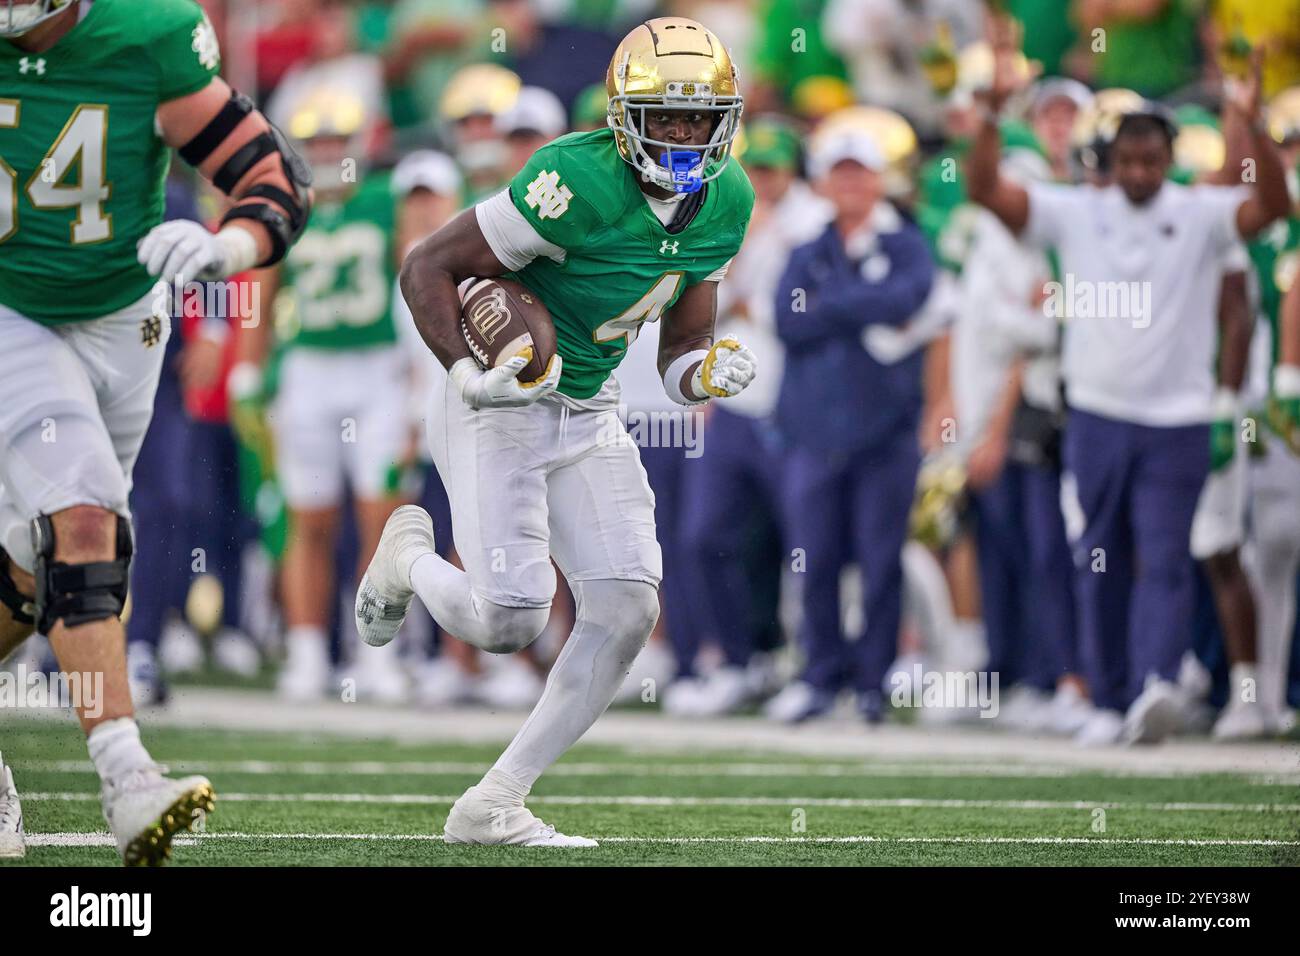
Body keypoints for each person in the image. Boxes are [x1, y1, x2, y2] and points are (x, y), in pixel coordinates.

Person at [357, 17, 756, 846]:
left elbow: (681, 349)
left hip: (590, 407)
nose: (685, 134)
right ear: (623, 115)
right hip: (500, 401)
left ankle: (495, 801)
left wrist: (707, 372)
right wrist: (467, 374)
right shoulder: (574, 179)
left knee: (625, 607)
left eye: (699, 116)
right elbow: (427, 265)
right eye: (668, 116)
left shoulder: (730, 200)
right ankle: (407, 558)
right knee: (509, 622)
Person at [0, 0, 312, 863]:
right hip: (8, 308)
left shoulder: (146, 32)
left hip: (123, 319)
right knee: (86, 518)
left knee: (37, 567)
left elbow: (272, 174)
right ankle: (127, 778)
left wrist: (233, 246)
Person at [965, 23, 1290, 744]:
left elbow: (1272, 208)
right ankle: (1106, 696)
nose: (1142, 170)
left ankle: (1153, 686)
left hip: (1176, 416)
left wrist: (1255, 123)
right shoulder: (1077, 211)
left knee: (1167, 558)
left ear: (1170, 159)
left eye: (1153, 157)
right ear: (1109, 161)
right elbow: (987, 190)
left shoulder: (1200, 215)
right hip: (1097, 414)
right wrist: (988, 113)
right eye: (1130, 158)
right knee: (1099, 558)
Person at [767, 115, 936, 724]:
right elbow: (787, 320)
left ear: (878, 181)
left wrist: (829, 304)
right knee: (813, 560)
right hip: (812, 432)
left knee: (879, 559)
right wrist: (857, 308)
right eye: (840, 175)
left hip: (885, 433)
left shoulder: (904, 243)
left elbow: (907, 298)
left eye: (861, 174)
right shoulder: (808, 250)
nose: (851, 186)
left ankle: (873, 681)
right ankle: (819, 675)